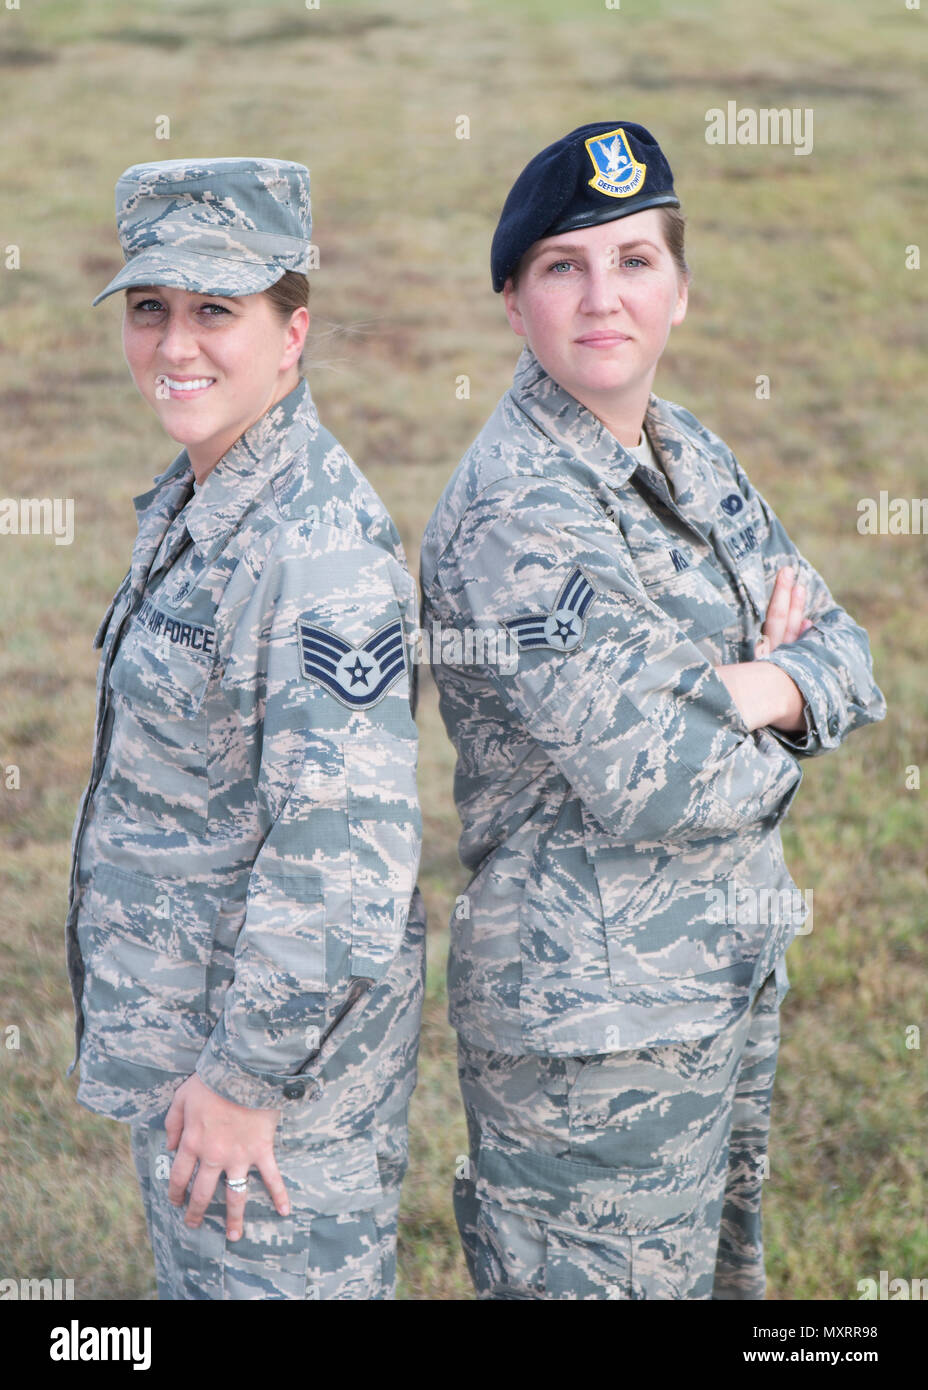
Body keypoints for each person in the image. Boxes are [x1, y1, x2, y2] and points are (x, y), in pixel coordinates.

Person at [419, 121, 886, 1300]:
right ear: (512, 303)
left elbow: (850, 653)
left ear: (680, 290)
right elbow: (658, 775)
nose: (601, 296)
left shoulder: (682, 449)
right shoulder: (521, 505)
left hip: (717, 974)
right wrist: (775, 701)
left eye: (634, 260)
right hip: (590, 1032)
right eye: (561, 267)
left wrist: (747, 689)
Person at [64, 156, 425, 1300]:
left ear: (292, 330)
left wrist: (241, 1080)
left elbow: (343, 862)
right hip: (196, 1059)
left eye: (216, 310)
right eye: (149, 310)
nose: (175, 346)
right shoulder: (209, 493)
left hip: (269, 1106)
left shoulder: (312, 552)